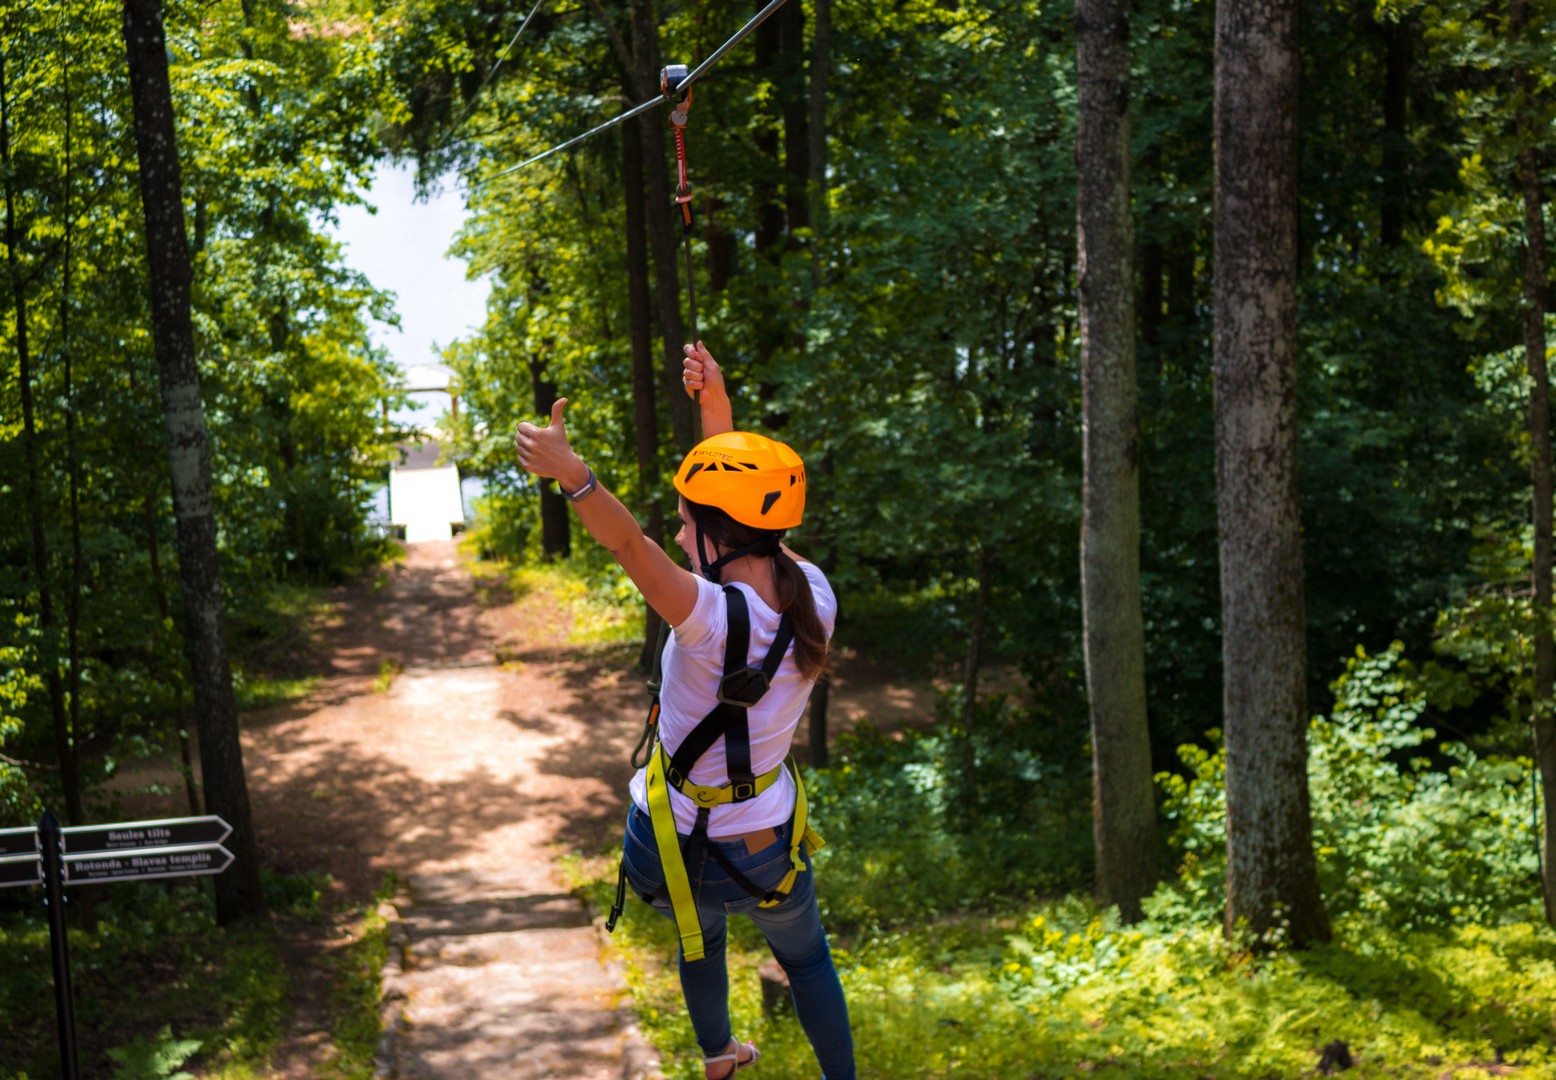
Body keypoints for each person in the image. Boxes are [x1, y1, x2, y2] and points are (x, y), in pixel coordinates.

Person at [514, 342, 855, 1080]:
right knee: (809, 962)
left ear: (717, 535)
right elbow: (732, 510)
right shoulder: (813, 592)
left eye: (684, 522)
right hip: (765, 838)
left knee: (699, 942)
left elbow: (627, 541)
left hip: (673, 841)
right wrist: (716, 406)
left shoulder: (702, 616)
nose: (675, 532)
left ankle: (717, 1057)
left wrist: (571, 474)